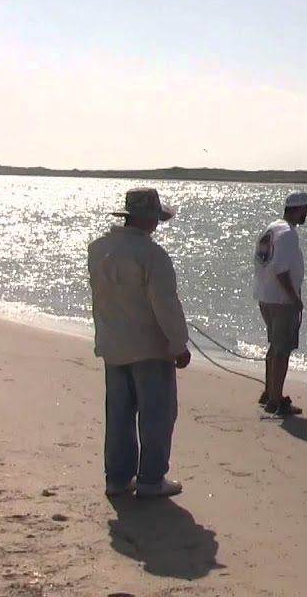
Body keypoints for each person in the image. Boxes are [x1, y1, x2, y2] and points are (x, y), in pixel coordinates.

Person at [87, 187, 192, 499]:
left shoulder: (99, 248)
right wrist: (178, 344)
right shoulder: (153, 255)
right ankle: (150, 479)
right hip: (149, 346)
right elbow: (165, 304)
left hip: (113, 343)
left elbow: (100, 300)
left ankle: (118, 478)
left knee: (119, 414)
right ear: (150, 220)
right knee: (157, 415)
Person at [252, 189, 307, 415]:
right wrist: (294, 298)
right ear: (298, 210)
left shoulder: (272, 227)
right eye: (306, 209)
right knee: (282, 350)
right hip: (281, 299)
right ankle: (275, 400)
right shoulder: (288, 233)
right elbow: (280, 270)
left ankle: (270, 392)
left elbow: (262, 262)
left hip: (266, 296)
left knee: (275, 346)